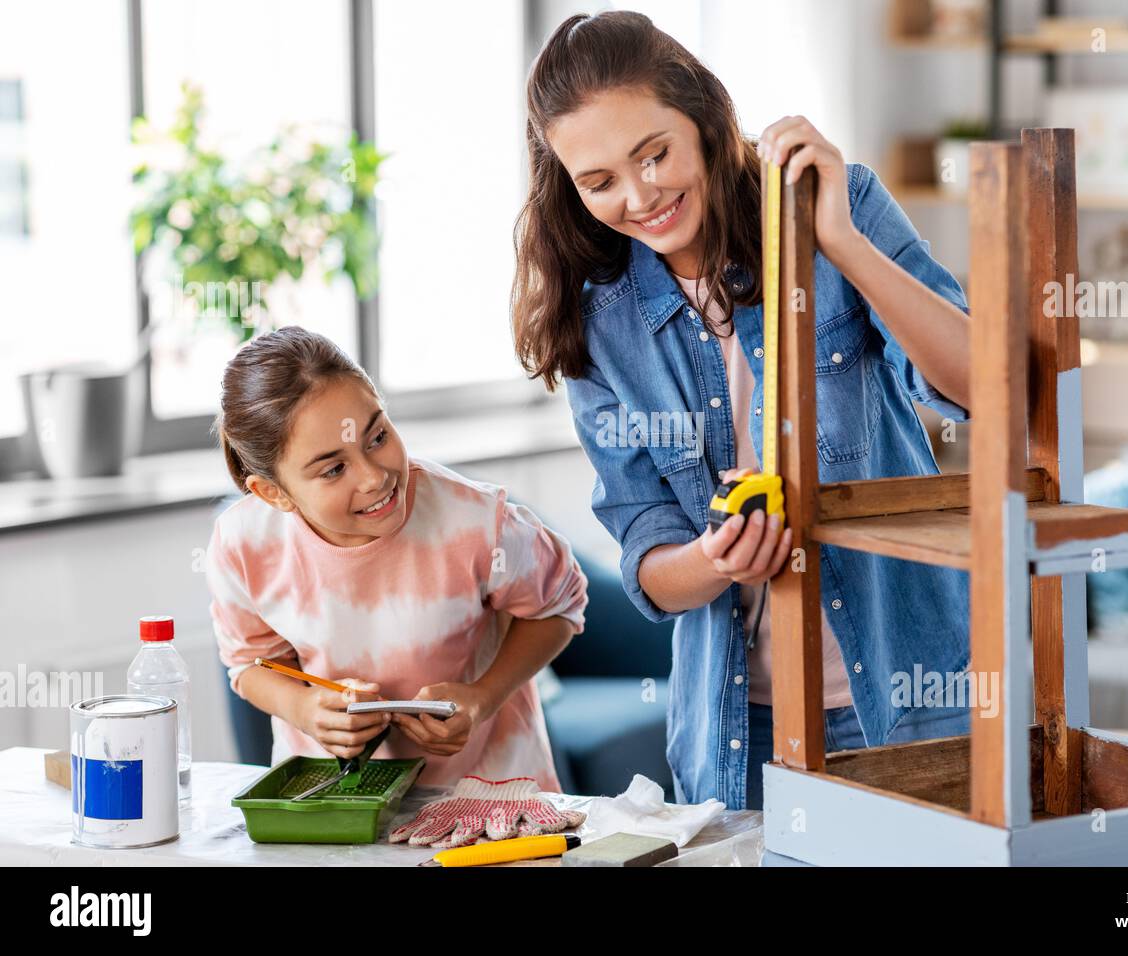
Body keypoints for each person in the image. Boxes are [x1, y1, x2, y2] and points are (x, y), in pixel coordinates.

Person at [512, 11, 975, 811]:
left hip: (914, 698)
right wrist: (721, 561)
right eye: (599, 182)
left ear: (699, 114)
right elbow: (650, 562)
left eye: (653, 153)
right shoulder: (599, 324)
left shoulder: (839, 205)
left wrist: (843, 244)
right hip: (738, 730)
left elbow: (979, 386)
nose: (639, 195)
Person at [205, 325, 587, 789]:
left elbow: (560, 604)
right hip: (335, 800)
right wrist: (303, 708)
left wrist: (482, 697)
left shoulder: (477, 520)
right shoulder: (242, 542)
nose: (374, 476)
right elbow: (251, 664)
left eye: (377, 436)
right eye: (333, 469)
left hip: (488, 795)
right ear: (273, 492)